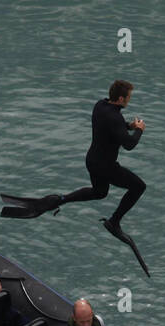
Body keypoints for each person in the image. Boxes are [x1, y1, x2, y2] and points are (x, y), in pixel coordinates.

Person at [53, 80, 147, 233]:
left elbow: (111, 127)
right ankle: (114, 222)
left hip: (92, 161)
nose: (130, 100)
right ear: (121, 99)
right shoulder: (115, 117)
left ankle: (61, 199)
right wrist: (139, 130)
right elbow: (129, 144)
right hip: (106, 166)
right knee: (139, 187)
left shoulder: (100, 105)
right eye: (129, 97)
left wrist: (129, 126)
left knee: (100, 192)